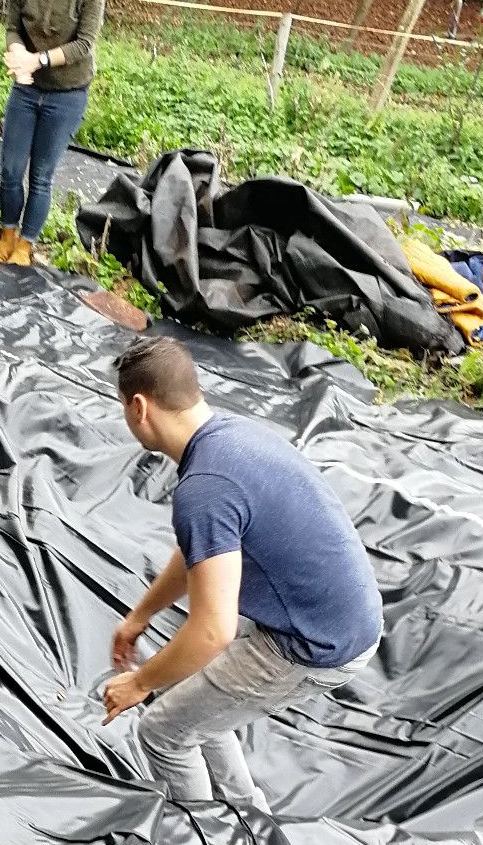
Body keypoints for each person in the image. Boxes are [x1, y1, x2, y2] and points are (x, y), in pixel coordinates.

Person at [101, 336, 382, 811]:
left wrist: (139, 682)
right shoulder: (230, 436)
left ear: (138, 408)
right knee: (194, 702)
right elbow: (199, 552)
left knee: (163, 731)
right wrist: (141, 615)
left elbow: (213, 631)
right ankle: (247, 818)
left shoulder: (204, 488)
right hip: (340, 615)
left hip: (316, 644)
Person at [0, 0, 107, 268]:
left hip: (66, 93)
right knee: (9, 169)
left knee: (41, 173)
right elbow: (12, 27)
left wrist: (36, 59)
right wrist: (15, 55)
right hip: (26, 89)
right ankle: (7, 233)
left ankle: (26, 244)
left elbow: (84, 45)